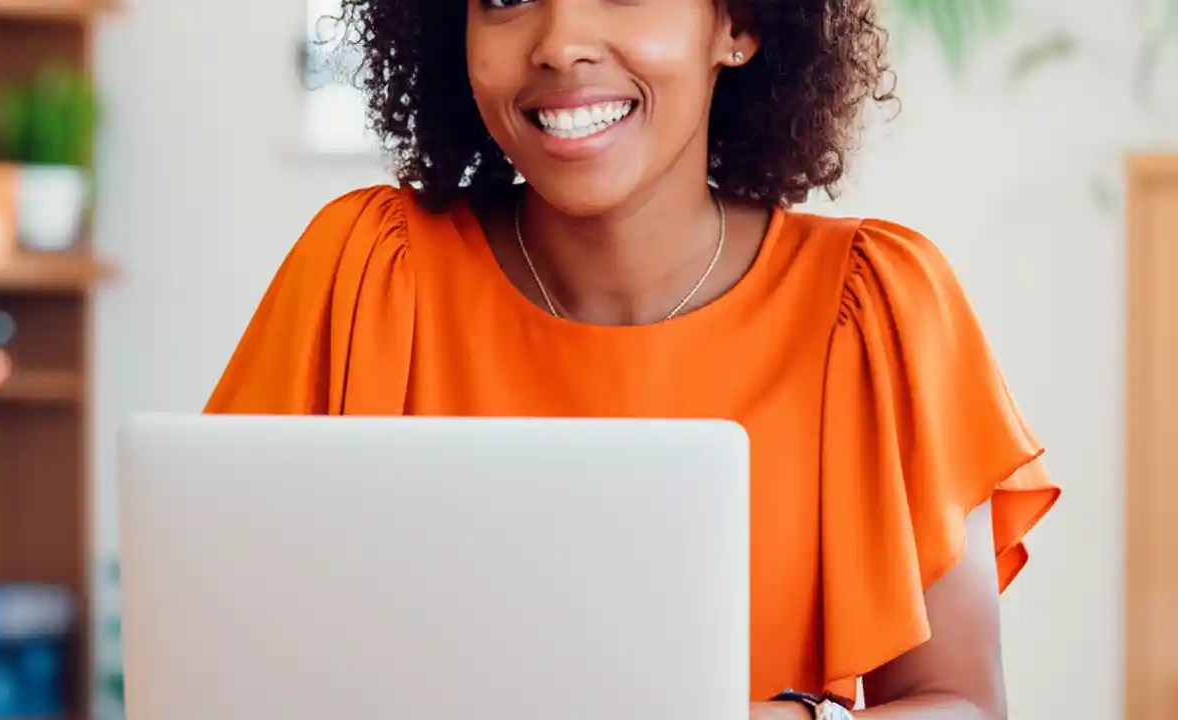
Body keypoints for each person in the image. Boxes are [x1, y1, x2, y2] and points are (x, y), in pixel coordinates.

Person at [204, 0, 1060, 717]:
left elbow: (963, 705)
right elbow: (223, 662)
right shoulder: (364, 276)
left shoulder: (874, 308)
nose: (559, 41)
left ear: (739, 22)